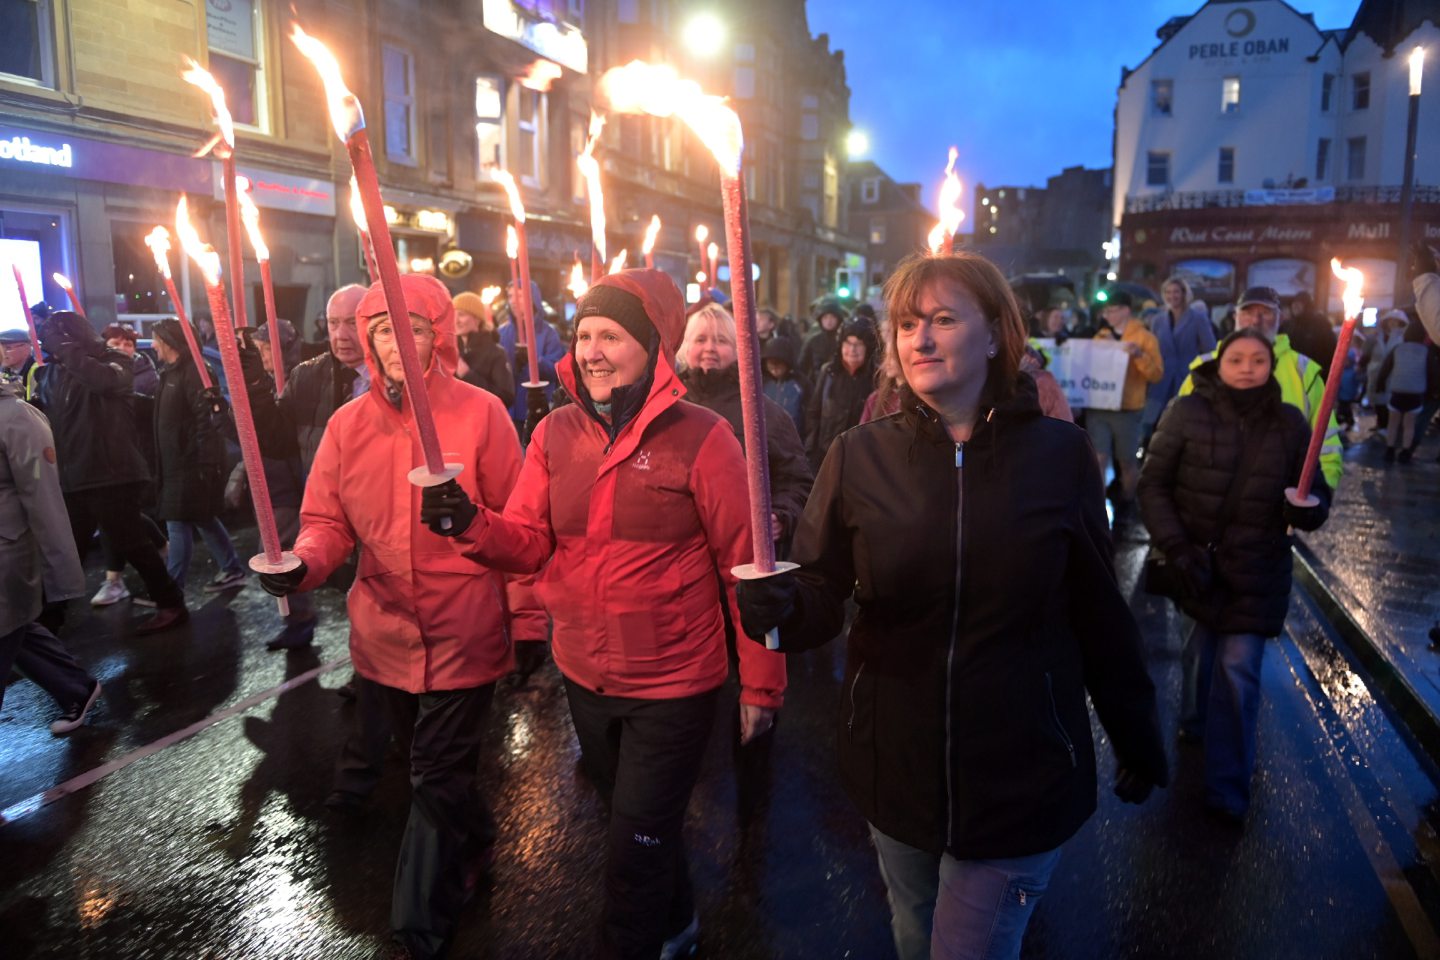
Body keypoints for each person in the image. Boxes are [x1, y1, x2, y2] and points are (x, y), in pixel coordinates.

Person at [734, 251, 1167, 960]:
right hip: (896, 761)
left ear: (997, 334)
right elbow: (817, 596)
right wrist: (773, 606)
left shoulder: (1060, 455)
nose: (921, 339)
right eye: (907, 324)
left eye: (942, 319)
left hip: (1019, 771)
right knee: (913, 929)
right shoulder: (857, 456)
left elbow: (1098, 612)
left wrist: (1136, 731)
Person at [421, 270, 787, 959]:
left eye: (609, 336)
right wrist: (468, 522)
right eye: (585, 334)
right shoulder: (556, 434)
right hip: (585, 677)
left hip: (675, 684)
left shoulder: (706, 438)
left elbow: (749, 569)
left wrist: (762, 684)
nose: (590, 349)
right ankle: (677, 924)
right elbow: (528, 542)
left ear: (652, 346)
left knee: (632, 851)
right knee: (634, 825)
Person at [258, 274, 534, 959]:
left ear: (436, 336)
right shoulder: (347, 426)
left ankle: (419, 926)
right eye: (382, 329)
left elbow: (525, 532)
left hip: (464, 629)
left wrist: (527, 620)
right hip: (383, 636)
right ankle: (475, 841)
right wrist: (303, 564)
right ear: (369, 342)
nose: (395, 342)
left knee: (433, 777)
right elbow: (325, 521)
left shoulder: (483, 414)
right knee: (429, 766)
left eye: (410, 327)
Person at [1139, 329, 1330, 823]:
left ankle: (1227, 790)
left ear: (1270, 367)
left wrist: (1307, 508)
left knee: (1238, 674)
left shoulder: (1290, 424)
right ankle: (1195, 724)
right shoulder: (1186, 413)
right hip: (1196, 568)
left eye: (1258, 360)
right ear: (1219, 365)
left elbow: (1314, 495)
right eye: (1237, 359)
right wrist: (1176, 545)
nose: (1247, 367)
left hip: (1256, 571)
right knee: (1200, 658)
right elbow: (1154, 483)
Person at [31, 311, 187, 634]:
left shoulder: (113, 359)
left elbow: (103, 381)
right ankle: (48, 620)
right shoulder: (48, 375)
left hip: (111, 473)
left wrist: (66, 348)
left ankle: (171, 602)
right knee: (67, 549)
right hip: (73, 476)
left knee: (132, 542)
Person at [248, 284, 370, 649]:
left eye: (351, 322)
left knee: (374, 589)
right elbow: (277, 439)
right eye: (333, 323)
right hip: (326, 504)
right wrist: (253, 385)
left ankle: (371, 668)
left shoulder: (394, 375)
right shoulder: (308, 376)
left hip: (375, 505)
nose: (340, 335)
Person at [0, 377, 101, 734]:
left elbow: (43, 498)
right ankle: (75, 687)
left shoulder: (17, 417)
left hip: (6, 554)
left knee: (8, 628)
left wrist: (61, 573)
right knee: (16, 632)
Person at [677, 300, 813, 550]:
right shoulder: (667, 408)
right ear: (685, 348)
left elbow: (797, 480)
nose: (710, 348)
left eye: (721, 341)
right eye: (700, 340)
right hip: (678, 554)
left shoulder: (764, 413)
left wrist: (782, 515)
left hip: (741, 550)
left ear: (738, 349)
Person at [1178, 286, 1343, 492]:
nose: (1256, 321)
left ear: (1280, 318)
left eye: (1265, 313)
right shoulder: (1203, 369)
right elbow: (1175, 439)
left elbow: (1326, 443)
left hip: (1276, 503)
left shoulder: (1303, 372)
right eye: (1247, 313)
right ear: (1235, 316)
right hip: (1208, 500)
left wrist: (1318, 495)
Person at [149, 319, 247, 594]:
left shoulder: (194, 371)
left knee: (177, 520)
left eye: (155, 339)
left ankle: (171, 590)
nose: (153, 345)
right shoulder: (172, 371)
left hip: (189, 462)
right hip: (176, 461)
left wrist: (204, 461)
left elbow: (206, 419)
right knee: (202, 517)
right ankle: (231, 568)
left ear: (168, 341)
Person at [1087, 289, 1163, 507]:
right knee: (1099, 458)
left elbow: (1156, 374)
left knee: (1126, 460)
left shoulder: (1145, 338)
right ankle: (1098, 507)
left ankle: (1128, 503)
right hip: (1100, 405)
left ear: (1126, 311)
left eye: (1112, 310)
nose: (1108, 315)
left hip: (1128, 408)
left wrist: (1139, 356)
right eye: (1106, 311)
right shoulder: (1100, 336)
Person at [1143, 277, 1216, 443]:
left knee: (1184, 427)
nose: (1172, 296)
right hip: (1160, 382)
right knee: (1158, 428)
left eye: (1176, 291)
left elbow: (1210, 350)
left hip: (1187, 378)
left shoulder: (1198, 318)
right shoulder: (1158, 320)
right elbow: (1153, 351)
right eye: (1168, 292)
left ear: (1184, 294)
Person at [805, 317, 878, 469]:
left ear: (868, 348)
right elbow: (814, 412)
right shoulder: (829, 372)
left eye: (858, 344)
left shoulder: (877, 378)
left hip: (861, 460)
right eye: (848, 343)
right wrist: (810, 450)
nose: (852, 350)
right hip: (826, 456)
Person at [497, 280, 567, 434]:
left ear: (533, 298)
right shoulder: (503, 333)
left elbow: (557, 370)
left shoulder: (548, 333)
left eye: (520, 296)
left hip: (538, 410)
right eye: (510, 296)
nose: (513, 301)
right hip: (508, 412)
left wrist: (535, 360)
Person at [1377, 318, 1439, 463]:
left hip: (1398, 390)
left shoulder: (1398, 349)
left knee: (1393, 422)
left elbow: (1386, 367)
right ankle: (1405, 452)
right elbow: (1433, 372)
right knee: (1409, 424)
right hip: (1416, 393)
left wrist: (1380, 384)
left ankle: (1389, 450)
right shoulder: (1426, 351)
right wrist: (1433, 390)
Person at [452, 291, 515, 408]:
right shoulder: (452, 350)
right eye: (453, 315)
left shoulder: (496, 353)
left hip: (483, 422)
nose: (456, 320)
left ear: (477, 319)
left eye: (461, 314)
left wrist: (468, 375)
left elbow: (506, 398)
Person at [1363, 310, 1409, 433]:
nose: (1392, 324)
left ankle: (1388, 426)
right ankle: (1380, 423)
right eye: (1390, 321)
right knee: (1376, 398)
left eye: (1395, 321)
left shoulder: (1402, 337)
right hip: (1375, 371)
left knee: (1389, 400)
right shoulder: (1378, 336)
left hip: (1393, 373)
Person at [1282, 291, 1339, 379]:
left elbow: (1331, 351)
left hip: (1314, 377)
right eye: (1294, 303)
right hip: (1291, 376)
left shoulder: (1320, 325)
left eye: (1299, 303)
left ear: (1307, 306)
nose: (1295, 306)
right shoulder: (1288, 326)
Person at [761, 335, 808, 434]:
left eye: (778, 363)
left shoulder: (801, 383)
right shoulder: (761, 383)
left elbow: (811, 416)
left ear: (787, 362)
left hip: (795, 440)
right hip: (767, 439)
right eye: (770, 363)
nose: (774, 367)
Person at [102, 323, 159, 397]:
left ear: (134, 349)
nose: (122, 348)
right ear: (104, 346)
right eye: (116, 343)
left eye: (128, 345)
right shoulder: (93, 371)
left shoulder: (150, 378)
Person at [797, 299, 845, 383]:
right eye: (825, 317)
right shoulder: (813, 340)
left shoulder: (844, 340)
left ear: (838, 319)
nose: (829, 321)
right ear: (820, 320)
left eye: (832, 317)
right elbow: (802, 367)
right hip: (816, 385)